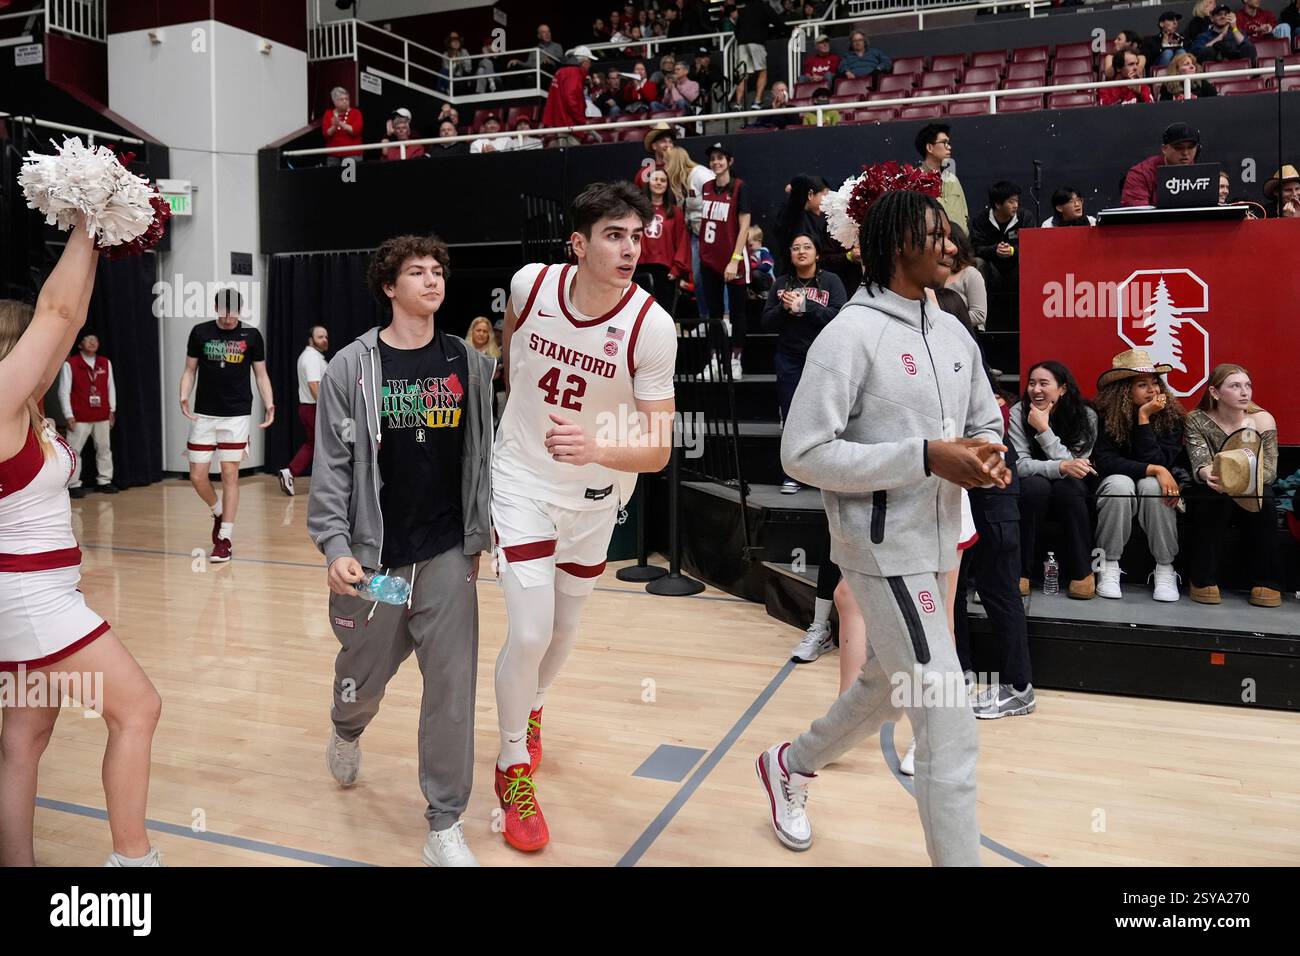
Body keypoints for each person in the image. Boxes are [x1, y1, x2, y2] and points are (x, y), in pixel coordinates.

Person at [755, 175, 1010, 865]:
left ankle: (790, 763)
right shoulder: (851, 334)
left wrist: (990, 455)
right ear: (899, 244)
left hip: (941, 543)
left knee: (886, 686)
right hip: (879, 549)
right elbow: (802, 452)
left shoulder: (953, 329)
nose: (953, 243)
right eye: (936, 233)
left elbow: (985, 419)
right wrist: (925, 456)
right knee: (948, 722)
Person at [491, 182, 677, 853]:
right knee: (531, 629)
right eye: (614, 235)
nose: (630, 248)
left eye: (637, 236)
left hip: (598, 493)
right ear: (579, 242)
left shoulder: (652, 327)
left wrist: (598, 447)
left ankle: (532, 710)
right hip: (521, 482)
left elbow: (658, 450)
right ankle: (512, 769)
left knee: (565, 629)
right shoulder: (529, 286)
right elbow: (513, 363)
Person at [308, 234, 496, 868]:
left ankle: (445, 822)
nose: (433, 279)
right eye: (417, 272)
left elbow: (483, 459)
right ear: (390, 287)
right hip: (379, 564)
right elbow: (333, 466)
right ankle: (346, 725)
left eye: (438, 269)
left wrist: (480, 534)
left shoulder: (468, 364)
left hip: (446, 555)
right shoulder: (352, 368)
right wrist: (334, 545)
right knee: (364, 678)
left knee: (451, 687)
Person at [0, 220, 162, 868]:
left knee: (25, 737)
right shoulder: (3, 404)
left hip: (35, 593)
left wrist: (97, 240)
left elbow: (67, 316)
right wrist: (87, 220)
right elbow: (58, 310)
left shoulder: (28, 409)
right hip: (29, 597)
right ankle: (133, 862)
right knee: (138, 708)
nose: (57, 347)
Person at [180, 289, 274, 563]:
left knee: (229, 474)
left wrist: (270, 403)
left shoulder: (252, 336)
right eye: (224, 310)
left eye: (234, 310)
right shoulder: (200, 332)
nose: (229, 316)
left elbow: (261, 374)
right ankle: (219, 510)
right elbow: (189, 370)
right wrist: (183, 395)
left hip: (236, 414)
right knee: (198, 476)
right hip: (204, 414)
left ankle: (225, 538)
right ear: (215, 307)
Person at [1183, 363, 1282, 607]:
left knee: (1265, 502)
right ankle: (1203, 579)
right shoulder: (1196, 420)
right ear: (1215, 393)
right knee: (1212, 500)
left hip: (1252, 484)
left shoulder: (1262, 420)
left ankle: (1266, 582)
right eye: (1235, 386)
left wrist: (1241, 480)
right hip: (1215, 484)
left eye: (1247, 385)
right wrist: (1208, 474)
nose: (1244, 392)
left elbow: (1269, 470)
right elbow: (1201, 463)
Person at [1092, 349, 1187, 602]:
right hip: (1116, 482)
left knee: (1153, 487)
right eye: (1142, 384)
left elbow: (1160, 461)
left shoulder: (1172, 418)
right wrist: (1155, 470)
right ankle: (1108, 565)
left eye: (1155, 383)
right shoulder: (1105, 416)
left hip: (1152, 484)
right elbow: (1105, 462)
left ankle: (1165, 568)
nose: (1153, 390)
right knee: (1120, 484)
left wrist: (1144, 418)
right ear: (1124, 390)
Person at [1008, 361, 1099, 598]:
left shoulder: (1086, 415)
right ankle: (1020, 572)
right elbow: (1019, 464)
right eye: (1031, 383)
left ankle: (1082, 573)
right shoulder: (1019, 412)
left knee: (1069, 489)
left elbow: (1079, 465)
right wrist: (1059, 466)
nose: (1036, 389)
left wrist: (1044, 430)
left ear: (1062, 389)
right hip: (1033, 478)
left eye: (1043, 384)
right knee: (1035, 488)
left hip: (1071, 482)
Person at [767, 233, 846, 494]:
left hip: (824, 358)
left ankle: (826, 474)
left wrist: (808, 306)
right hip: (789, 358)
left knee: (826, 415)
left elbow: (840, 317)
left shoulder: (831, 281)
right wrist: (784, 309)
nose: (801, 252)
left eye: (807, 247)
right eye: (796, 247)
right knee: (791, 416)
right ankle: (791, 474)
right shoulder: (780, 283)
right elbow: (765, 322)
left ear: (817, 253)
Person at [698, 142, 752, 379]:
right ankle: (714, 360)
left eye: (720, 158)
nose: (716, 162)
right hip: (709, 260)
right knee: (714, 314)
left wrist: (735, 259)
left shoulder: (740, 187)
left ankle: (736, 360)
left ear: (729, 161)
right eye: (712, 159)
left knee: (738, 313)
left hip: (733, 261)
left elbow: (745, 226)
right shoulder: (706, 187)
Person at [58, 329, 117, 497]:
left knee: (104, 449)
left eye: (95, 339)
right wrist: (68, 415)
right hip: (79, 416)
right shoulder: (71, 364)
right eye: (88, 339)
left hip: (102, 415)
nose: (92, 342)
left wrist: (112, 409)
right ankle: (74, 484)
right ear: (79, 344)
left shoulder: (105, 363)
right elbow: (63, 392)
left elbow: (110, 387)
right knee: (74, 451)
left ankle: (105, 481)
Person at [665, 145, 717, 318]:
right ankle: (705, 319)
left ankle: (723, 317)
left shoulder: (700, 174)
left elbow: (719, 197)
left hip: (712, 234)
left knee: (715, 275)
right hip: (695, 234)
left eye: (667, 163)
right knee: (697, 275)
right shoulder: (679, 183)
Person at [279, 325, 328, 496]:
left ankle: (293, 473)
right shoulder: (311, 358)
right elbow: (314, 384)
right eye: (320, 336)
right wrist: (324, 407)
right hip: (313, 408)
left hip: (310, 408)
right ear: (311, 339)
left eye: (325, 336)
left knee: (316, 444)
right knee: (321, 444)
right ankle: (291, 472)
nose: (324, 340)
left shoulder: (312, 357)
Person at [637, 168, 691, 309]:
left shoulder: (675, 212)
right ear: (648, 183)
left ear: (667, 185)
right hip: (640, 268)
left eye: (663, 180)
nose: (659, 183)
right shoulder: (637, 210)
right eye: (655, 179)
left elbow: (682, 242)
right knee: (640, 312)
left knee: (663, 313)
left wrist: (676, 269)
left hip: (665, 271)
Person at [1121, 122, 1201, 207]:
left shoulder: (1204, 174)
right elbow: (1137, 213)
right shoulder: (1141, 174)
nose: (1185, 153)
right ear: (1164, 149)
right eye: (1178, 148)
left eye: (1191, 147)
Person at [916, 124, 969, 234]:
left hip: (959, 245)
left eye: (948, 143)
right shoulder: (915, 180)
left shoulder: (952, 179)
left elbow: (965, 215)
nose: (949, 147)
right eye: (944, 143)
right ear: (929, 147)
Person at [541, 46, 597, 146]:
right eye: (590, 61)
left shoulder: (560, 71)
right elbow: (571, 101)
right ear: (584, 62)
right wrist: (582, 121)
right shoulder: (574, 73)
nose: (590, 65)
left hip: (557, 126)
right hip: (569, 127)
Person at [943, 223, 987, 332]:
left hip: (966, 334)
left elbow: (979, 315)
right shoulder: (932, 276)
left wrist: (946, 320)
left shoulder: (970, 274)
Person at [322, 87, 363, 166]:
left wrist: (340, 123)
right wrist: (334, 126)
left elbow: (356, 131)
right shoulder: (328, 114)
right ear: (334, 102)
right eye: (341, 99)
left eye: (347, 99)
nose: (345, 101)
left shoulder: (356, 113)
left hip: (352, 154)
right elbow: (326, 134)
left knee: (349, 178)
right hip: (333, 155)